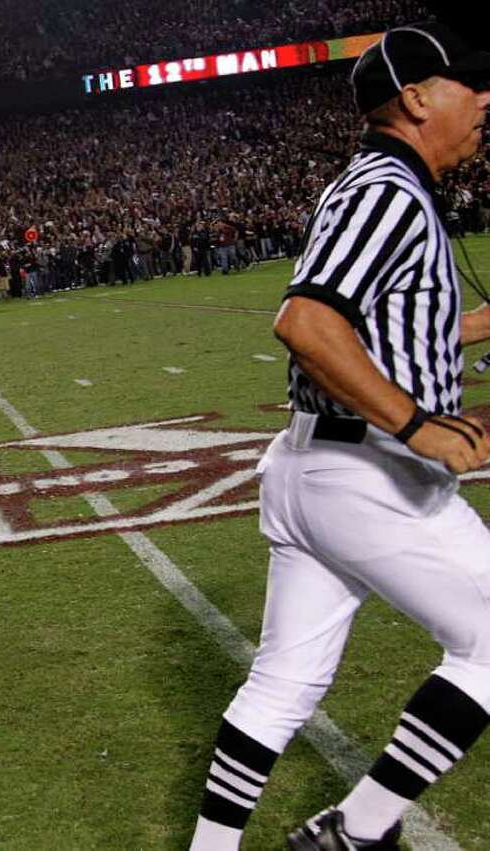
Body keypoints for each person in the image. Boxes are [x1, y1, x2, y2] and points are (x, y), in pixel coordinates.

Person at [188, 23, 490, 851]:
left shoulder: (388, 185)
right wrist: (422, 426)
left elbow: (387, 326)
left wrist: (471, 327)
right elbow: (308, 321)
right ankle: (357, 829)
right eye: (469, 83)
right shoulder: (389, 191)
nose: (486, 97)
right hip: (368, 471)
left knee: (283, 681)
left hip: (322, 465)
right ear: (419, 99)